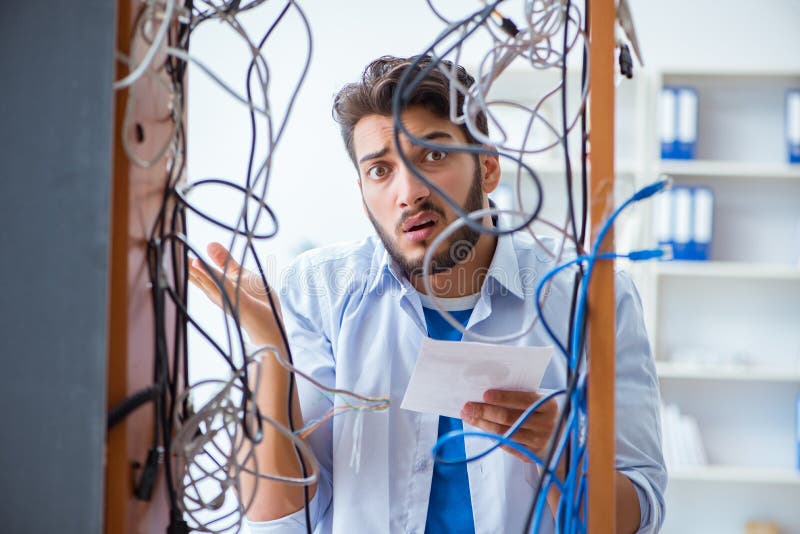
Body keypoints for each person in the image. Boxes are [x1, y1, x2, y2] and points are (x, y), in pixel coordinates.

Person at [189, 55, 666, 534]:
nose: (408, 192)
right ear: (362, 193)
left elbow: (637, 516)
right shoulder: (317, 293)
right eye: (380, 171)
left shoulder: (592, 295)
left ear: (489, 168)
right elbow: (281, 521)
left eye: (433, 156)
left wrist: (559, 455)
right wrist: (271, 349)